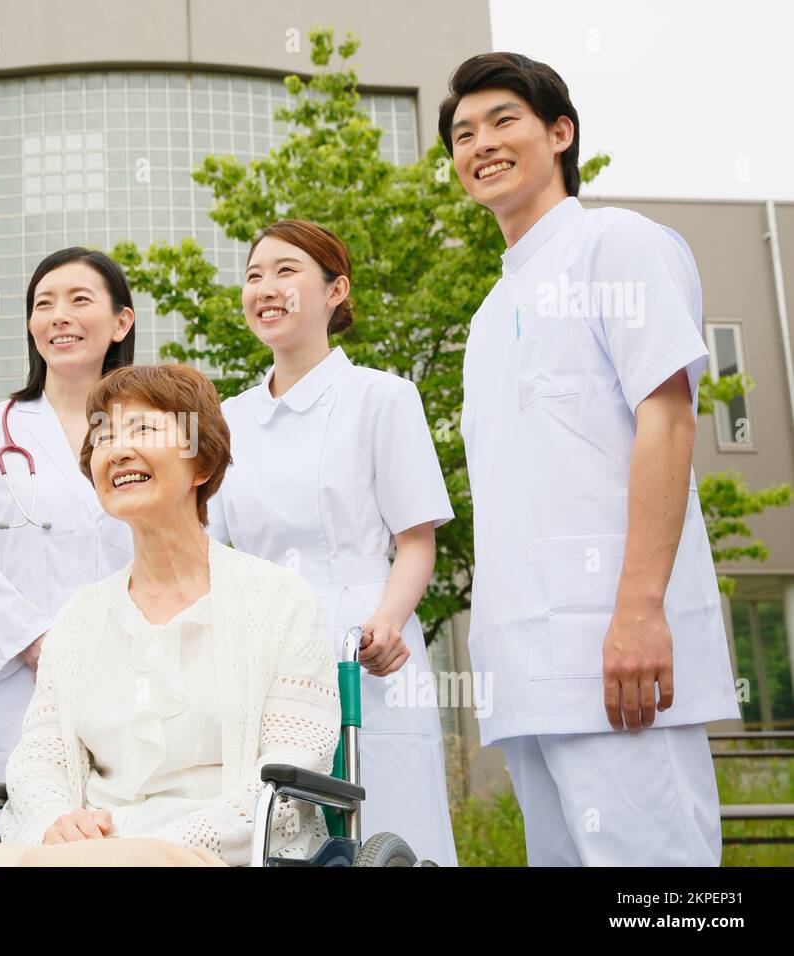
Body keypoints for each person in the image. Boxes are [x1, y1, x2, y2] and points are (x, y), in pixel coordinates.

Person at [442, 53, 739, 865]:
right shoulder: (489, 312)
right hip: (528, 667)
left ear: (560, 133)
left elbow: (668, 420)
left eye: (504, 121)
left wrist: (640, 610)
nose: (482, 144)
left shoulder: (618, 243)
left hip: (622, 652)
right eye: (464, 134)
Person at [0, 364, 340, 866]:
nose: (118, 449)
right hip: (86, 853)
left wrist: (150, 844)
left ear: (202, 465)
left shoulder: (279, 601)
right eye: (103, 437)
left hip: (215, 853)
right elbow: (39, 760)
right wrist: (57, 822)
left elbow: (287, 778)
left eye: (144, 429)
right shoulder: (82, 617)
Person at [206, 219, 459, 866]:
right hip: (260, 658)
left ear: (335, 290)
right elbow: (214, 554)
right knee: (270, 833)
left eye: (287, 271)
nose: (266, 286)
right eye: (254, 274)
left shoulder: (382, 398)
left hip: (365, 652)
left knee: (388, 826)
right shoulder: (228, 419)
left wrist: (389, 622)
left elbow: (416, 538)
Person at [0, 248, 135, 849]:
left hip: (126, 669)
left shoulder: (149, 429)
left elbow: (180, 543)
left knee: (112, 836)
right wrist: (32, 639)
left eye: (80, 300)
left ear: (121, 323)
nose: (59, 316)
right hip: (11, 679)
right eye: (43, 304)